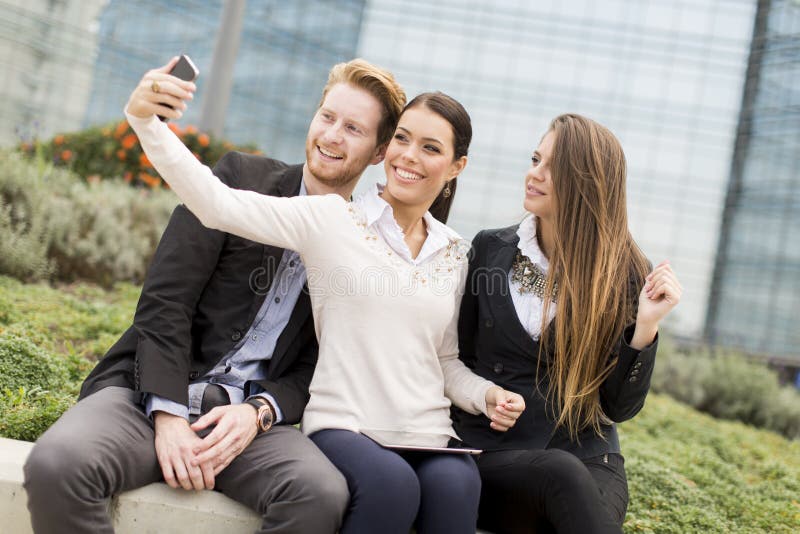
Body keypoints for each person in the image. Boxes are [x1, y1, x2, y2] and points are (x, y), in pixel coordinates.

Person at [118, 59, 526, 534]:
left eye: (430, 147)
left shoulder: (455, 252)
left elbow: (444, 361)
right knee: (392, 487)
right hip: (347, 422)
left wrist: (487, 395)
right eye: (402, 139)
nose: (409, 156)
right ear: (386, 149)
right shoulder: (334, 218)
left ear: (457, 166)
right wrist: (146, 121)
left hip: (427, 431)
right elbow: (215, 202)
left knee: (458, 488)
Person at [23, 57, 407, 534]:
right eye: (327, 117)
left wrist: (259, 412)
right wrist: (168, 417)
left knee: (318, 495)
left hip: (248, 425)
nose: (331, 136)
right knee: (57, 465)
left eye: (353, 128)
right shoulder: (240, 177)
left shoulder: (364, 244)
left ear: (378, 151)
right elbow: (166, 303)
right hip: (150, 392)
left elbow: (325, 362)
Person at [453, 113, 683, 534]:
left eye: (551, 167)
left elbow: (619, 407)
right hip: (494, 452)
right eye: (535, 159)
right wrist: (483, 397)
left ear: (587, 182)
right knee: (559, 475)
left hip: (590, 458)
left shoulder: (628, 271)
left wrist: (645, 327)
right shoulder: (489, 249)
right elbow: (458, 358)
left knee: (570, 486)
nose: (533, 174)